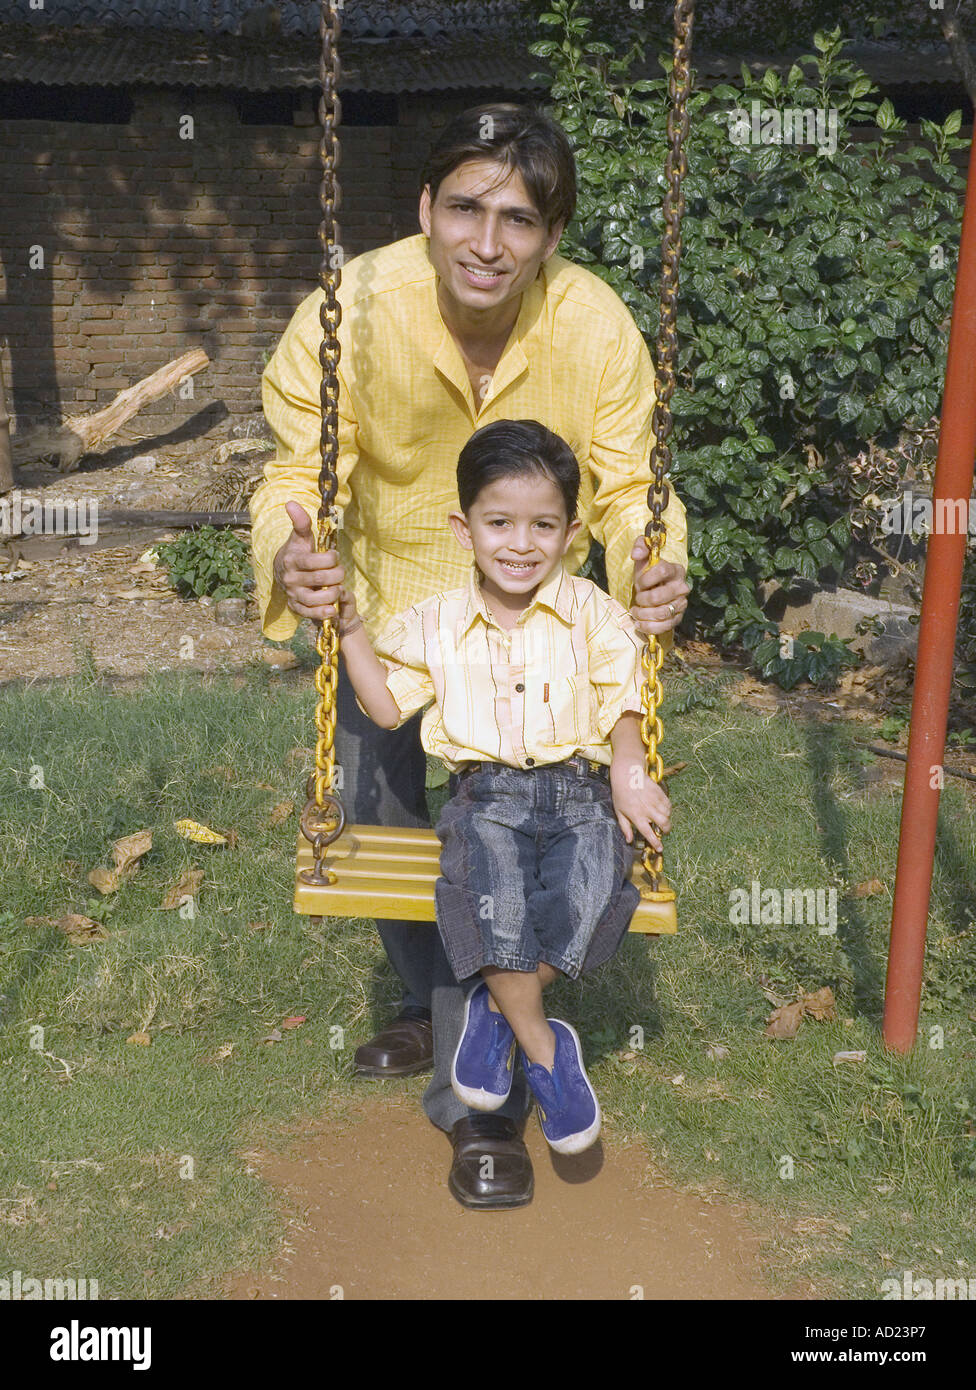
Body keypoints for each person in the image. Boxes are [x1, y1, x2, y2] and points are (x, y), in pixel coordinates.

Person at [250, 102, 690, 1208]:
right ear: (424, 209)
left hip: (540, 629)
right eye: (464, 209)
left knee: (533, 848)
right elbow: (295, 471)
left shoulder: (594, 328)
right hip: (397, 602)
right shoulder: (352, 312)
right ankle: (432, 1007)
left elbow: (633, 488)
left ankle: (479, 1106)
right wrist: (298, 556)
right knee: (392, 825)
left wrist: (648, 566)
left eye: (519, 219)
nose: (486, 242)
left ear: (551, 237)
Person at [330, 419, 672, 1163]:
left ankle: (493, 1002)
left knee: (592, 892)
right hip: (485, 798)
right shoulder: (436, 623)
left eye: (543, 525)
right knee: (494, 893)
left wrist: (628, 772)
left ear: (571, 533)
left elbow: (624, 695)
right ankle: (547, 1049)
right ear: (464, 529)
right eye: (499, 523)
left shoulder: (592, 611)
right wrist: (350, 627)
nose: (521, 544)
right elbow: (387, 707)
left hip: (581, 792)